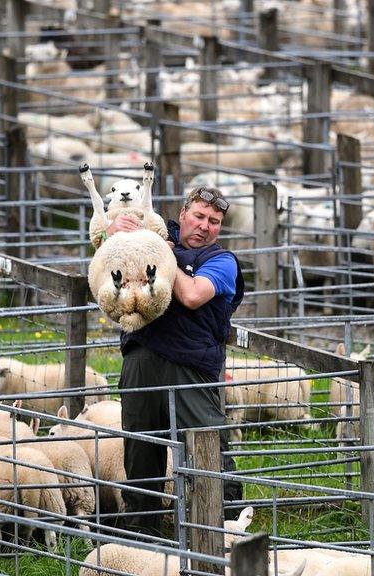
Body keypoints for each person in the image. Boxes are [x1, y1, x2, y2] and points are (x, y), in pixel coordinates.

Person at [106, 185, 244, 537]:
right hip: (140, 358)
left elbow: (193, 294)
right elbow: (110, 260)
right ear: (182, 215)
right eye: (198, 216)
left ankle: (223, 531)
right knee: (140, 450)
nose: (204, 226)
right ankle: (141, 536)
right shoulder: (152, 232)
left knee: (207, 448)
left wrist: (162, 256)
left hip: (191, 368)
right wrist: (114, 232)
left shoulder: (222, 262)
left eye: (214, 221)